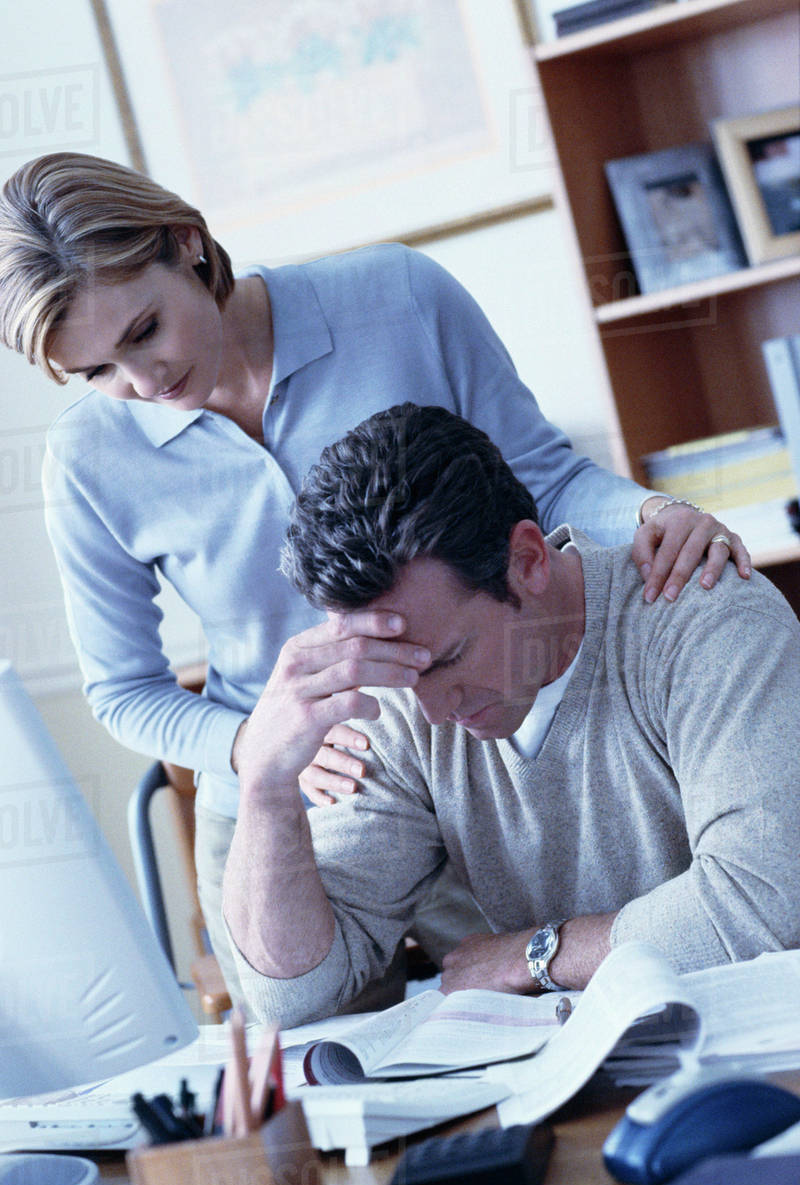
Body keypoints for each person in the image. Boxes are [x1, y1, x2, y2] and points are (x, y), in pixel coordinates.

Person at [0, 152, 750, 1009]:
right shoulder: (89, 457)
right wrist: (257, 752)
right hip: (276, 796)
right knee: (331, 1073)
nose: (143, 384)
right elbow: (123, 689)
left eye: (143, 332)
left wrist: (656, 514)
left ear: (188, 246)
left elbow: (544, 476)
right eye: (96, 372)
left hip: (451, 750)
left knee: (511, 1005)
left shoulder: (397, 297)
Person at [222, 404, 800, 1028]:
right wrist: (264, 786)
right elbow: (294, 996)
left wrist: (538, 956)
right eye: (400, 677)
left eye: (448, 660)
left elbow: (763, 909)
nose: (433, 711)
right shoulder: (398, 699)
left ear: (526, 559)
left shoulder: (707, 621)